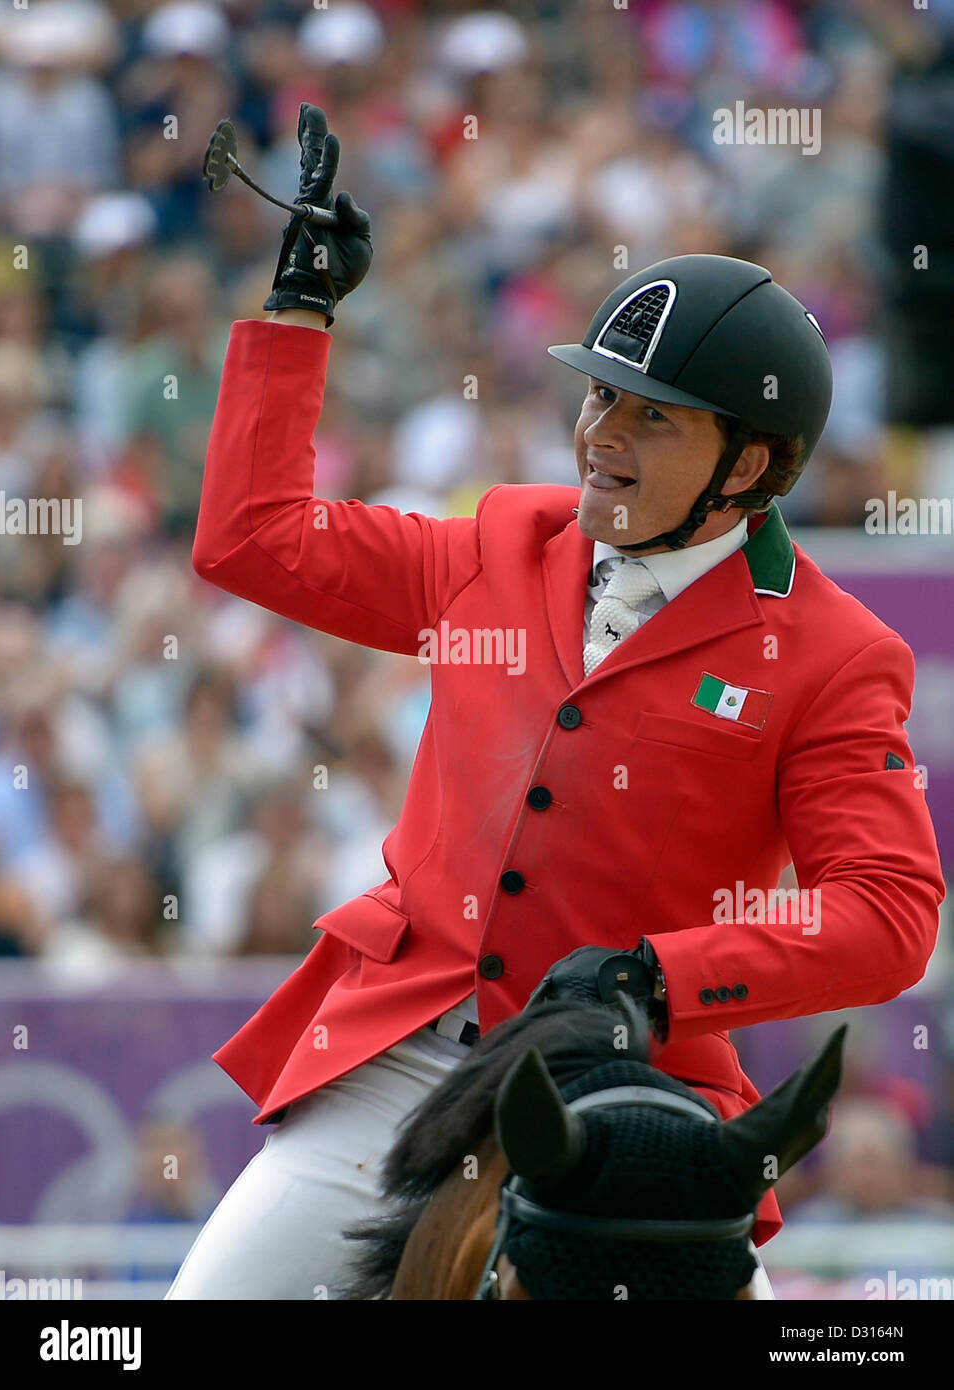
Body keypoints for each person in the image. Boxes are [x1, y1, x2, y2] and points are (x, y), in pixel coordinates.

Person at [168, 106, 944, 1299]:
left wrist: (658, 973)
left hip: (631, 1087)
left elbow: (888, 916)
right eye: (598, 400)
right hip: (406, 1053)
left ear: (749, 467)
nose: (601, 438)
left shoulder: (839, 654)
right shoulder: (499, 538)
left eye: (651, 417)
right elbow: (253, 540)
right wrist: (298, 315)